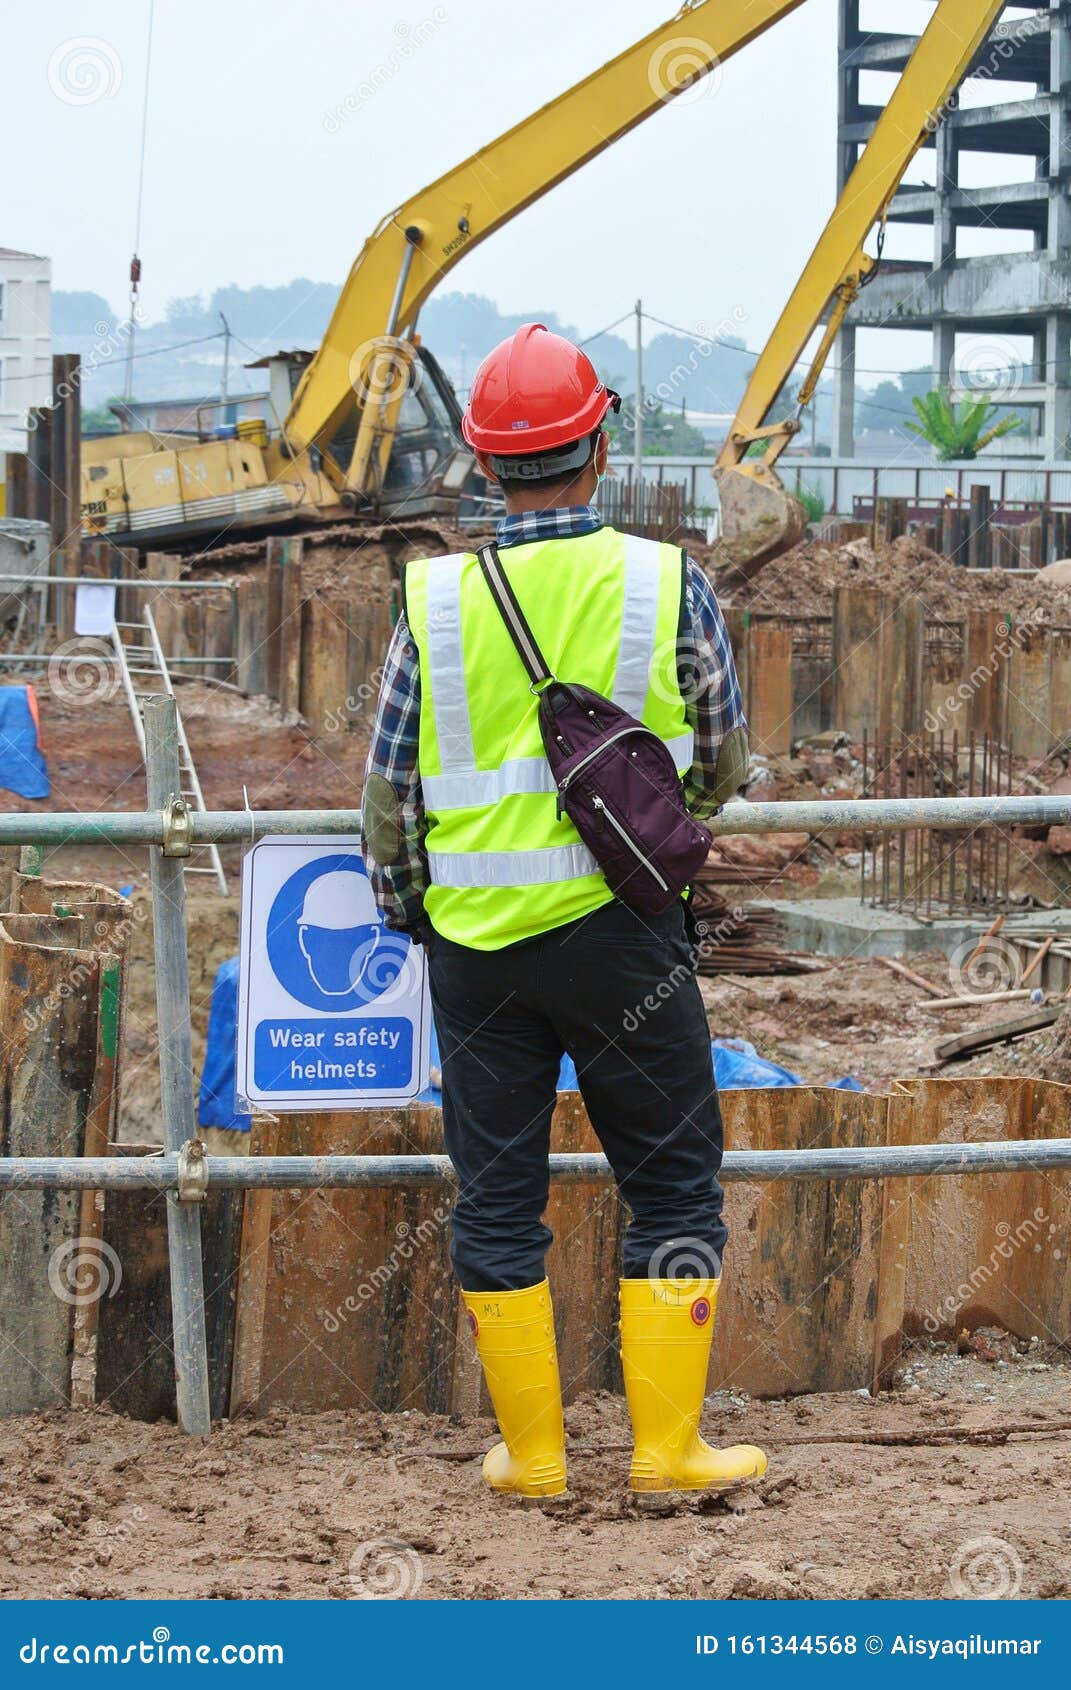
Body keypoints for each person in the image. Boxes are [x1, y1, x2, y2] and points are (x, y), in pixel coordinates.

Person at [362, 323, 765, 1504]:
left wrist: (412, 912)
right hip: (624, 933)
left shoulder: (432, 600)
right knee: (675, 1184)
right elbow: (727, 758)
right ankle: (666, 1448)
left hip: (478, 952)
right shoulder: (663, 578)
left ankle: (534, 1459)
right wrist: (659, 824)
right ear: (601, 443)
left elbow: (387, 797)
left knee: (497, 1197)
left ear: (485, 467)